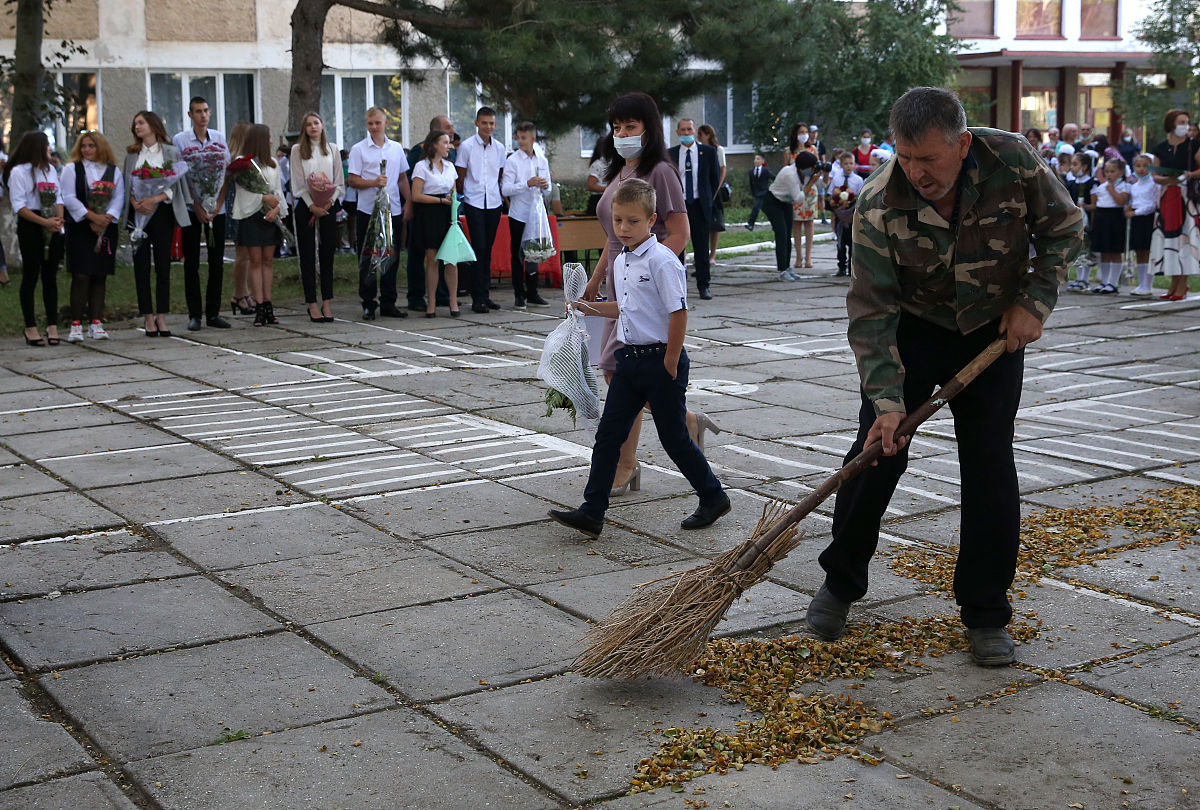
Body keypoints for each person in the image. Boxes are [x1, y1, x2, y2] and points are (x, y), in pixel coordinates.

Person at [804, 87, 1083, 667]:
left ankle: (986, 611)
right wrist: (886, 401)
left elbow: (1065, 227)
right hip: (914, 331)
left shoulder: (1011, 160)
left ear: (962, 144)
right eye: (906, 157)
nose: (916, 172)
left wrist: (1035, 301)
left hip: (992, 331)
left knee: (989, 465)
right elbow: (871, 310)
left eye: (928, 158)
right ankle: (840, 583)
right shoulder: (879, 201)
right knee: (875, 454)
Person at [548, 179, 729, 539]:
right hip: (629, 359)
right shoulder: (620, 261)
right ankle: (592, 511)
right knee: (608, 435)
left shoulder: (662, 261)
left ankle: (713, 496)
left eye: (632, 221)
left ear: (651, 220)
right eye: (617, 220)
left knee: (674, 438)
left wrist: (671, 362)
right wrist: (587, 308)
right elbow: (626, 308)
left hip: (661, 360)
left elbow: (678, 313)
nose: (623, 228)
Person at [583, 91, 717, 497]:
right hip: (618, 284)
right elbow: (616, 236)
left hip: (641, 295)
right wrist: (594, 282)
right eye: (617, 127)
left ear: (649, 129)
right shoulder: (621, 170)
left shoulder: (660, 171)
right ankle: (685, 420)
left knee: (620, 374)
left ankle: (626, 464)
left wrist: (650, 274)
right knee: (616, 373)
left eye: (631, 126)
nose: (622, 133)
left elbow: (679, 233)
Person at [122, 110, 191, 337]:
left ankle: (162, 316)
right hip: (138, 215)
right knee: (141, 266)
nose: (137, 127)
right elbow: (127, 185)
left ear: (152, 125)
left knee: (163, 265)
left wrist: (154, 199)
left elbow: (175, 185)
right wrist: (135, 202)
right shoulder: (132, 155)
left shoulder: (170, 151)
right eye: (135, 124)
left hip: (162, 212)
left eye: (141, 123)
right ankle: (148, 317)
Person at [173, 96, 232, 332]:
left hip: (217, 209)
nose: (203, 115)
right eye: (198, 111)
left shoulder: (219, 137)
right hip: (192, 209)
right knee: (192, 262)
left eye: (206, 110)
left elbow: (227, 173)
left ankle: (213, 313)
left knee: (217, 261)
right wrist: (196, 205)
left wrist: (218, 203)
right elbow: (180, 176)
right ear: (190, 115)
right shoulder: (180, 140)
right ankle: (195, 314)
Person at [348, 106, 411, 320]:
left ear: (386, 123)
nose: (374, 127)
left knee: (390, 256)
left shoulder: (396, 148)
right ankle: (368, 302)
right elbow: (353, 180)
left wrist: (409, 202)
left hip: (392, 209)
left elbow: (402, 178)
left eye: (377, 123)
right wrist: (373, 182)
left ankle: (388, 301)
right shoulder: (359, 149)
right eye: (370, 123)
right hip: (369, 210)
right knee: (368, 257)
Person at [61, 130, 124, 341]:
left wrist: (106, 218)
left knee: (99, 275)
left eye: (91, 145)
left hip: (106, 227)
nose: (87, 150)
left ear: (100, 147)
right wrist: (91, 217)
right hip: (80, 227)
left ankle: (96, 323)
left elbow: (119, 197)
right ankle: (76, 324)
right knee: (81, 275)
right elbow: (69, 197)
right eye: (84, 146)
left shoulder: (113, 170)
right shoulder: (72, 169)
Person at [4, 131, 65, 345]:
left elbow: (58, 197)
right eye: (47, 145)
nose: (50, 149)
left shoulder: (50, 170)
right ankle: (30, 327)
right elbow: (19, 206)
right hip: (32, 224)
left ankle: (52, 324)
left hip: (52, 223)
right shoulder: (19, 172)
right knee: (31, 275)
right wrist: (44, 222)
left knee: (50, 276)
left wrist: (58, 220)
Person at [291, 111, 344, 322]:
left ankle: (327, 302)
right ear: (304, 129)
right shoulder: (297, 150)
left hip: (329, 204)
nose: (313, 127)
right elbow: (297, 183)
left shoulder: (332, 149)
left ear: (322, 125)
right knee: (307, 254)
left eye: (316, 123)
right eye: (309, 124)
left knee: (327, 253)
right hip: (307, 205)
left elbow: (339, 182)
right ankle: (312, 303)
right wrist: (312, 206)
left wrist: (328, 203)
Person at [232, 123, 287, 326]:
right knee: (255, 261)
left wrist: (276, 208)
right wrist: (264, 198)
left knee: (268, 261)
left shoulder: (273, 163)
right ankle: (259, 305)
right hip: (252, 215)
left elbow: (278, 190)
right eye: (269, 136)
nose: (271, 140)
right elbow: (243, 192)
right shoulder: (243, 162)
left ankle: (268, 304)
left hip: (270, 216)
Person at [456, 106, 507, 314]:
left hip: (493, 202)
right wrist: (465, 195)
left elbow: (500, 175)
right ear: (477, 123)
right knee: (478, 248)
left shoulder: (500, 148)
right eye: (484, 123)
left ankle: (485, 294)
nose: (488, 127)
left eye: (491, 123)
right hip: (474, 201)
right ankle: (477, 297)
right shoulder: (467, 146)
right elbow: (460, 176)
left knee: (488, 249)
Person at [405, 115, 455, 311]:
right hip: (429, 214)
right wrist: (441, 200)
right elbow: (416, 195)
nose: (449, 146)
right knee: (432, 257)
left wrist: (452, 199)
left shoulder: (450, 166)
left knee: (450, 259)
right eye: (445, 142)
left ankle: (450, 300)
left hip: (446, 214)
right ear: (434, 144)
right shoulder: (421, 165)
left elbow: (453, 190)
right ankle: (430, 301)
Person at [500, 121, 552, 309]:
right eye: (518, 137)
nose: (520, 141)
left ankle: (532, 292)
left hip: (536, 214)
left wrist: (545, 186)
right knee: (517, 254)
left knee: (533, 252)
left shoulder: (541, 159)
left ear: (533, 139)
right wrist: (527, 183)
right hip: (519, 213)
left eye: (524, 138)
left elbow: (548, 189)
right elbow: (505, 189)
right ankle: (518, 294)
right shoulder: (513, 160)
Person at [1149, 109, 1200, 300]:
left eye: (1187, 122)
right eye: (1181, 122)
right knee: (1168, 238)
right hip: (1166, 195)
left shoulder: (1193, 145)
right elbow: (1155, 174)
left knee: (1184, 237)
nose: (1185, 126)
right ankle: (1173, 281)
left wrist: (1188, 175)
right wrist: (1166, 179)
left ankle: (1182, 284)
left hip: (1186, 196)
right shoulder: (1161, 147)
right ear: (1171, 124)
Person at [669, 118, 720, 298]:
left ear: (695, 131)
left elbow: (714, 179)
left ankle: (704, 285)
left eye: (689, 129)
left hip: (699, 204)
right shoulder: (671, 154)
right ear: (677, 132)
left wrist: (707, 199)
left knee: (701, 247)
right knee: (677, 247)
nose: (686, 133)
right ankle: (677, 287)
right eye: (683, 130)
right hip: (678, 206)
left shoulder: (708, 152)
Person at [761, 151, 815, 280]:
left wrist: (824, 175)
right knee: (781, 234)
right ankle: (782, 270)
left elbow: (823, 184)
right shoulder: (790, 174)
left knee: (787, 236)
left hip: (785, 203)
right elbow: (799, 198)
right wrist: (811, 183)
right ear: (803, 167)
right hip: (773, 202)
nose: (812, 170)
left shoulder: (802, 172)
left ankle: (787, 267)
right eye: (811, 168)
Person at [1084, 157, 1131, 294]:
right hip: (1102, 217)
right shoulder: (1101, 187)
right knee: (1104, 250)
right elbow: (1098, 204)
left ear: (1120, 172)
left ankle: (1113, 282)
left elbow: (1120, 201)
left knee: (1114, 251)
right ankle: (1104, 281)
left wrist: (1111, 189)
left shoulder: (1125, 186)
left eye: (1112, 171)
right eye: (1107, 171)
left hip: (1115, 218)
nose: (1109, 174)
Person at [224, 121, 255, 317]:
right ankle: (238, 294)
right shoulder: (236, 160)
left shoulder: (246, 159)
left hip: (247, 208)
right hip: (238, 209)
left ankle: (245, 292)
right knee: (242, 254)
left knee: (248, 255)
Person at [829, 151, 864, 277]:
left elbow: (861, 197)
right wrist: (836, 205)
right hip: (840, 216)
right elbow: (831, 194)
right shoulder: (837, 179)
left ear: (855, 164)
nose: (849, 166)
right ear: (841, 165)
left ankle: (851, 268)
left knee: (852, 243)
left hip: (852, 216)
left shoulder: (858, 180)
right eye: (846, 163)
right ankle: (841, 267)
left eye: (851, 163)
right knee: (841, 243)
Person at [1127, 154, 1158, 296]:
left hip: (1148, 219)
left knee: (1147, 252)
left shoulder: (1154, 184)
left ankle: (1148, 285)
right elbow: (1135, 201)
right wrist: (1130, 209)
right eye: (1138, 166)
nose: (1141, 169)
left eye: (1145, 166)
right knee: (1139, 252)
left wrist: (1136, 212)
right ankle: (1141, 284)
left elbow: (1153, 204)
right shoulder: (1134, 186)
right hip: (1137, 219)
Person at [696, 124, 727, 264]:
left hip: (713, 191)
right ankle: (700, 255)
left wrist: (715, 189)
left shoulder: (718, 150)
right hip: (701, 191)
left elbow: (722, 170)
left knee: (714, 225)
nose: (698, 137)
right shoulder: (697, 149)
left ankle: (712, 255)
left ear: (708, 134)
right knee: (700, 225)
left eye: (700, 134)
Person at [746, 154, 774, 230]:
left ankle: (750, 224)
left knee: (756, 208)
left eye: (758, 159)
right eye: (755, 159)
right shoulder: (751, 171)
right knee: (767, 210)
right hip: (757, 194)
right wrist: (753, 193)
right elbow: (751, 183)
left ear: (762, 161)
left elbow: (774, 178)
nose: (756, 160)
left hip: (764, 193)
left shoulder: (766, 170)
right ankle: (774, 224)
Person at [585, 135, 610, 216]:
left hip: (609, 198)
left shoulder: (611, 163)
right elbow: (590, 186)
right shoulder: (597, 164)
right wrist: (609, 189)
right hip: (598, 199)